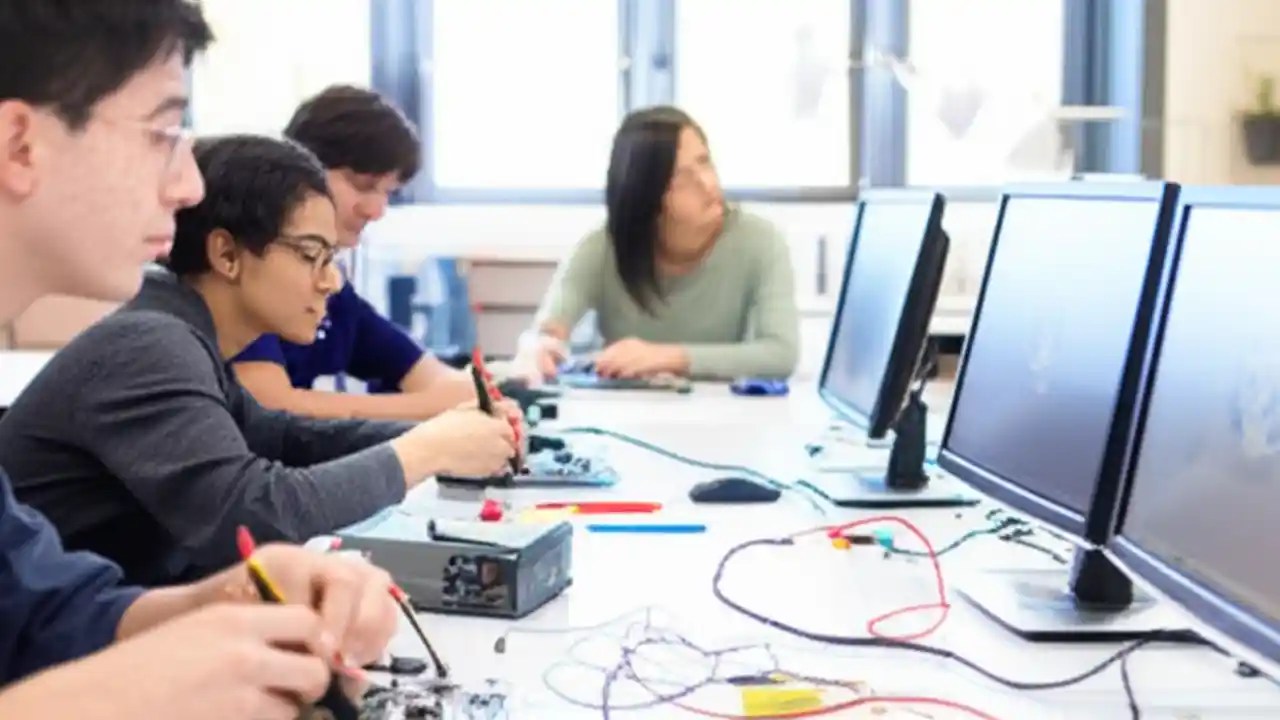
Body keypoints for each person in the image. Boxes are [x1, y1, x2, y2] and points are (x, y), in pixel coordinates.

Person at [0, 2, 401, 717]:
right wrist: (130, 687)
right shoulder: (150, 337)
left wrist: (221, 601)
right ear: (21, 146)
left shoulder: (179, 332)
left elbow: (45, 610)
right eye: (162, 134)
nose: (188, 187)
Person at [0, 133, 520, 587]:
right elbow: (250, 516)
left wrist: (447, 433)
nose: (331, 280)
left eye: (331, 259)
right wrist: (423, 452)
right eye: (309, 254)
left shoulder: (181, 328)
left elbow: (280, 437)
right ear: (226, 255)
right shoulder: (150, 343)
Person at [232, 85, 478, 422]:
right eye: (362, 186)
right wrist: (434, 406)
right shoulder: (252, 275)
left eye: (387, 192)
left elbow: (431, 376)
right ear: (298, 167)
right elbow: (269, 404)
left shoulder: (335, 295)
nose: (376, 210)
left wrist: (474, 394)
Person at [514, 106, 800, 382]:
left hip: (721, 413)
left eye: (704, 162)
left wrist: (667, 358)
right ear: (647, 196)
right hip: (624, 412)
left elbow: (781, 354)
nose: (708, 183)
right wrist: (540, 346)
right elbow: (549, 328)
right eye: (682, 177)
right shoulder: (603, 246)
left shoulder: (760, 240)